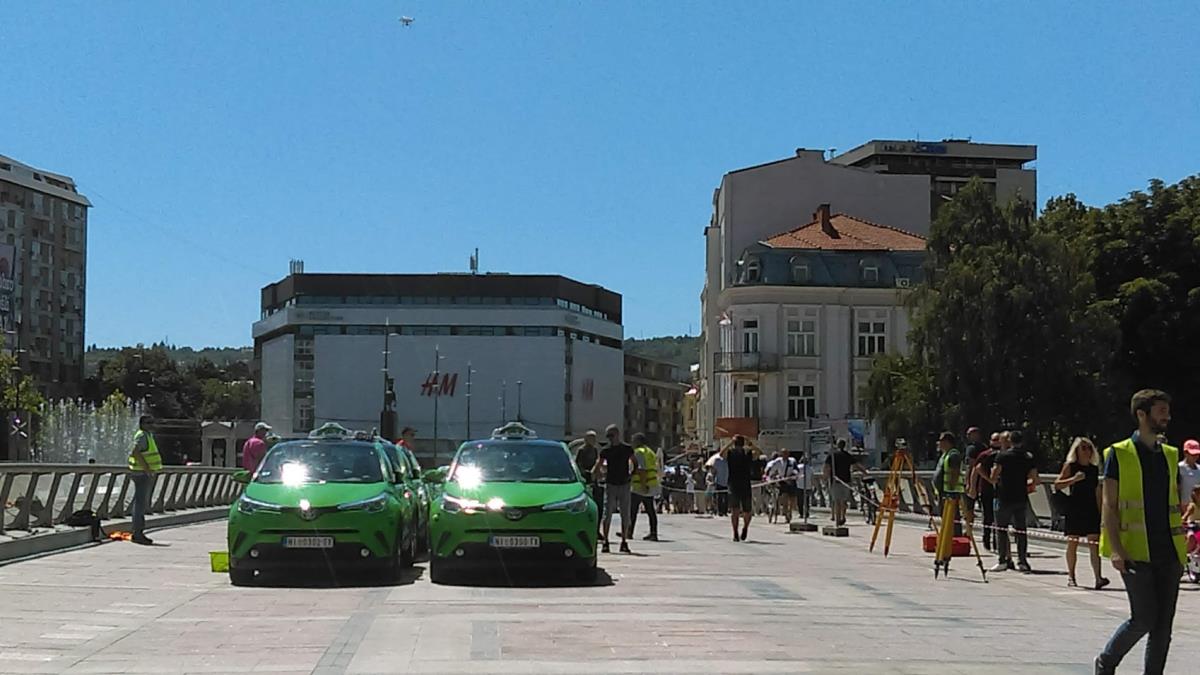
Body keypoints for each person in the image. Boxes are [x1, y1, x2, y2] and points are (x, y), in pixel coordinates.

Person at [1096, 390, 1188, 675]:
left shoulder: (1171, 455)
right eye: (1161, 411)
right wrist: (1116, 549)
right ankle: (1106, 662)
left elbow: (1175, 501)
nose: (1167, 417)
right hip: (1134, 551)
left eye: (1167, 411)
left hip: (1169, 552)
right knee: (1144, 618)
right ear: (1141, 414)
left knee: (1163, 628)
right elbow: (1110, 505)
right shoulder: (1119, 453)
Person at [1053, 437, 1107, 589]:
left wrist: (1101, 512)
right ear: (1076, 450)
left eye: (1089, 448)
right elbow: (1057, 485)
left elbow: (1097, 491)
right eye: (1083, 448)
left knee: (1094, 543)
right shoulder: (1070, 466)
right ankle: (1071, 576)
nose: (1087, 451)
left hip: (1090, 508)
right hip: (1075, 507)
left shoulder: (1093, 469)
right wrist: (1073, 479)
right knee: (1073, 542)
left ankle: (1098, 577)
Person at [988, 429, 1037, 573]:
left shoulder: (1002, 456)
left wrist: (994, 478)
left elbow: (993, 475)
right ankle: (1022, 561)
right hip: (1021, 497)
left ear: (1010, 441)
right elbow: (1034, 478)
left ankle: (1003, 560)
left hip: (1004, 497)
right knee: (1021, 531)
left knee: (1001, 529)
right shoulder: (1028, 457)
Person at [594, 424, 637, 554]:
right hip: (611, 484)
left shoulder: (627, 449)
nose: (610, 439)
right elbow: (598, 465)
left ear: (618, 434)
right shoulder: (606, 450)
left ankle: (624, 541)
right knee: (607, 514)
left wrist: (631, 474)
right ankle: (606, 541)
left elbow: (634, 462)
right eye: (608, 436)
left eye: (611, 436)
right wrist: (598, 475)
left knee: (625, 514)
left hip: (624, 484)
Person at [126, 415, 162, 545]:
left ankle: (138, 531)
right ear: (142, 424)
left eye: (152, 422)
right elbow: (135, 452)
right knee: (140, 503)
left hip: (142, 472)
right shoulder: (142, 436)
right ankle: (137, 533)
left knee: (140, 501)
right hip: (141, 473)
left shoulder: (147, 435)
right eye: (148, 422)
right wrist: (147, 468)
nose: (151, 425)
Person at [969, 433, 1001, 551]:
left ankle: (997, 542)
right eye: (994, 440)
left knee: (998, 517)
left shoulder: (1004, 455)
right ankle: (986, 540)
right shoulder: (984, 455)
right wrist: (973, 487)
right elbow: (976, 470)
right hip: (986, 491)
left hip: (1000, 492)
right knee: (987, 516)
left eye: (998, 440)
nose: (996, 442)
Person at [824, 439, 867, 526]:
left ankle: (838, 518)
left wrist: (825, 477)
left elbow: (827, 467)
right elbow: (856, 465)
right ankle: (843, 516)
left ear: (837, 445)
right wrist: (864, 472)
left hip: (835, 480)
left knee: (837, 501)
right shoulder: (848, 455)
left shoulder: (832, 455)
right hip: (846, 480)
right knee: (844, 501)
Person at [724, 435, 758, 541]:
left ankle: (736, 532)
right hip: (743, 484)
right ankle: (743, 529)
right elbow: (758, 453)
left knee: (736, 510)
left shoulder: (732, 453)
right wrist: (751, 444)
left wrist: (729, 443)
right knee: (746, 510)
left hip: (734, 484)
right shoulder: (747, 453)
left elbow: (721, 454)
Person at [630, 433, 661, 541]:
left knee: (632, 510)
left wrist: (643, 485)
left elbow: (642, 469)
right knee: (650, 510)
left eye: (633, 440)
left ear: (638, 441)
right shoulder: (650, 452)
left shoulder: (639, 452)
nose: (632, 443)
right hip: (651, 483)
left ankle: (629, 532)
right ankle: (653, 533)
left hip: (641, 486)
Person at [574, 431, 604, 535]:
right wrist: (587, 473)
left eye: (594, 438)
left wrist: (597, 472)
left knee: (599, 505)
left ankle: (597, 529)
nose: (593, 440)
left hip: (594, 480)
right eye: (590, 438)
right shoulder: (581, 450)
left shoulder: (595, 450)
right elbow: (578, 465)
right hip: (585, 479)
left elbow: (596, 462)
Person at [934, 432, 963, 534]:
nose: (938, 443)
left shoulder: (953, 454)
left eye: (941, 441)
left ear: (947, 442)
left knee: (953, 517)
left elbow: (955, 473)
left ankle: (955, 536)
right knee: (945, 517)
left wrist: (950, 489)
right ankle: (948, 536)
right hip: (943, 491)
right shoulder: (944, 455)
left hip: (950, 492)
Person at [1179, 439, 1200, 506]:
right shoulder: (1179, 467)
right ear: (1185, 453)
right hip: (1183, 507)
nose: (1195, 457)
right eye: (1192, 454)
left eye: (1197, 454)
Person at [710, 447, 730, 517]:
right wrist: (713, 479)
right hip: (719, 482)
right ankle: (720, 511)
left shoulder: (729, 461)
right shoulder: (717, 461)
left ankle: (725, 511)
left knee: (726, 498)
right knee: (719, 497)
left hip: (727, 482)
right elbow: (713, 471)